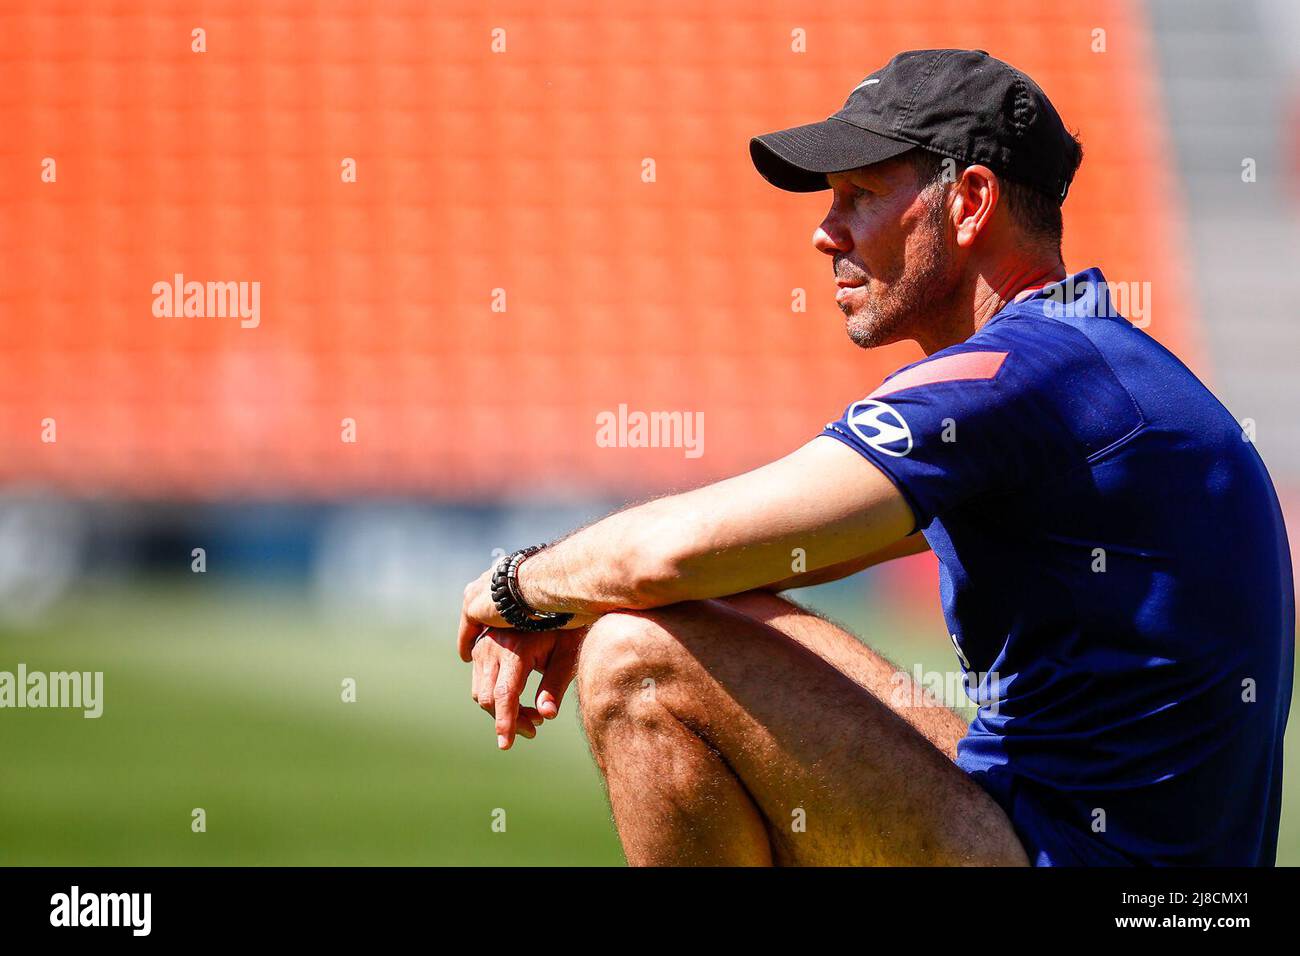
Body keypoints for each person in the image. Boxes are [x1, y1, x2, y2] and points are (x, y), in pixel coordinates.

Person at [457, 49, 1294, 866]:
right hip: (1071, 837)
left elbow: (666, 555)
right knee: (666, 610)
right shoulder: (1088, 363)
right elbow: (742, 559)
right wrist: (584, 597)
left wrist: (518, 589)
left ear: (970, 202)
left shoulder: (1017, 377)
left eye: (859, 195)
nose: (826, 234)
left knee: (635, 658)